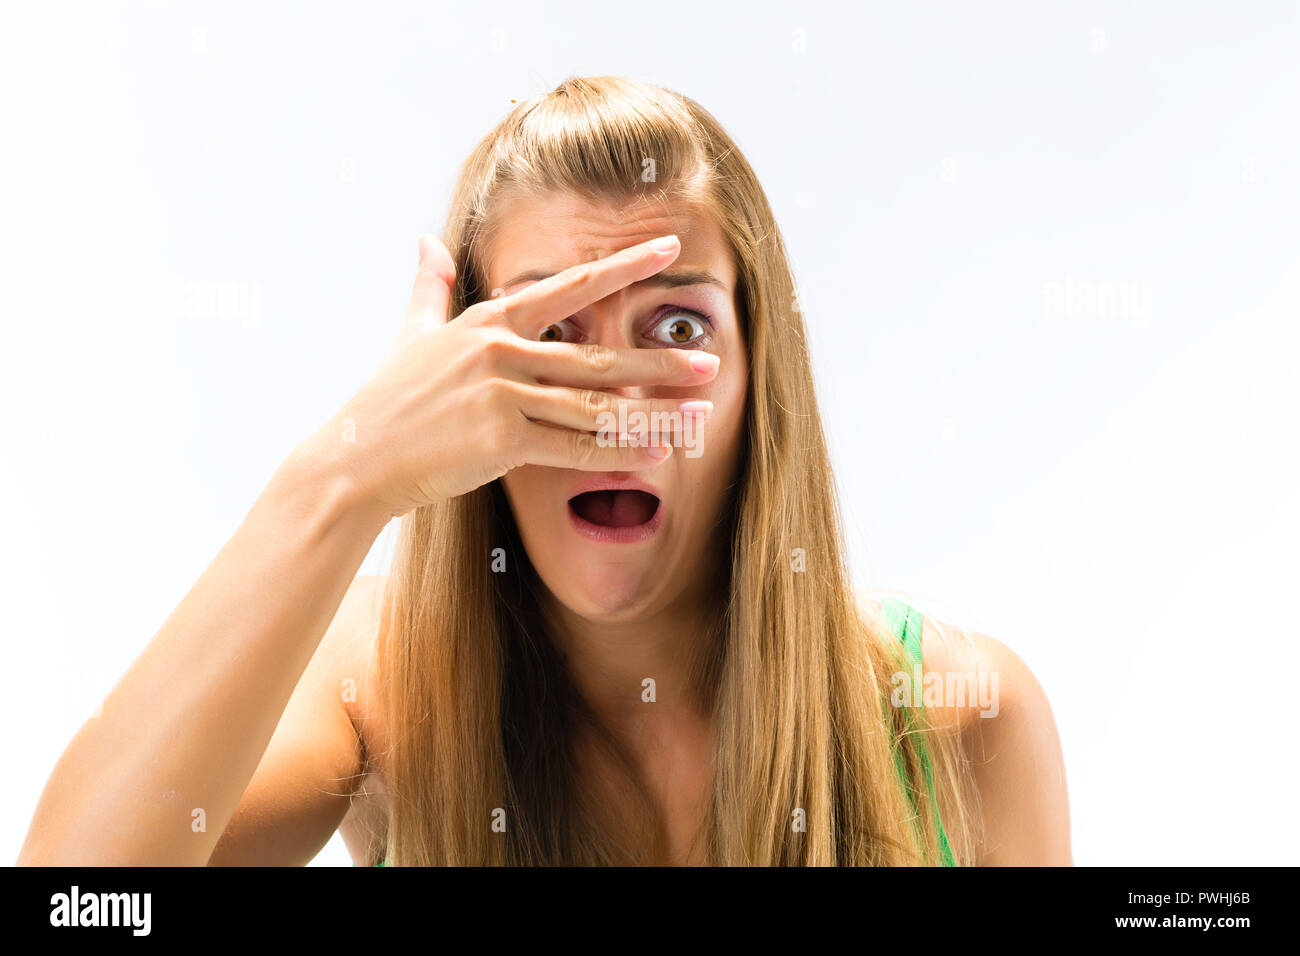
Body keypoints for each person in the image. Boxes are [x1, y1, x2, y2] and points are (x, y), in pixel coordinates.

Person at [18, 75, 1070, 866]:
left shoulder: (962, 718)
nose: (612, 401)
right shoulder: (385, 689)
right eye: (549, 332)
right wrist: (344, 478)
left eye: (673, 325)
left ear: (760, 377)